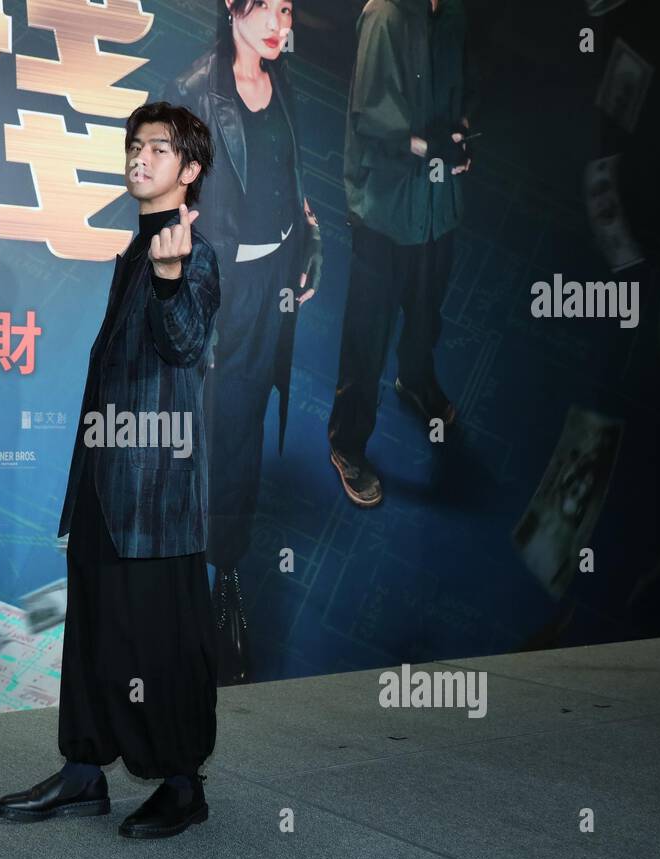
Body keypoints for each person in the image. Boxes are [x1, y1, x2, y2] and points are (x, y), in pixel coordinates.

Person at [0, 102, 222, 839]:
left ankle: (184, 785)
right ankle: (85, 774)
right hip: (103, 484)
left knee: (161, 640)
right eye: (134, 146)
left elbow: (185, 341)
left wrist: (169, 276)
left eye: (159, 149)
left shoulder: (191, 251)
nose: (139, 158)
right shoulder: (133, 250)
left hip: (157, 494)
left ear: (188, 172)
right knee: (92, 634)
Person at [164, 0, 322, 683]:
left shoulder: (281, 85)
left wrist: (307, 245)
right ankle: (181, 587)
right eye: (270, 10)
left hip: (271, 288)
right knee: (209, 426)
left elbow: (291, 184)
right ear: (234, 9)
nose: (282, 24)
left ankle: (226, 574)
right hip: (219, 291)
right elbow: (165, 198)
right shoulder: (196, 91)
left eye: (288, 10)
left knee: (248, 422)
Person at [329, 0, 477, 507]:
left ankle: (414, 378)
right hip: (385, 210)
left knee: (427, 307)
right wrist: (431, 146)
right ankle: (347, 443)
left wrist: (460, 136)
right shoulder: (386, 16)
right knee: (367, 332)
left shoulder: (454, 14)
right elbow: (371, 119)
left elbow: (458, 96)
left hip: (437, 206)